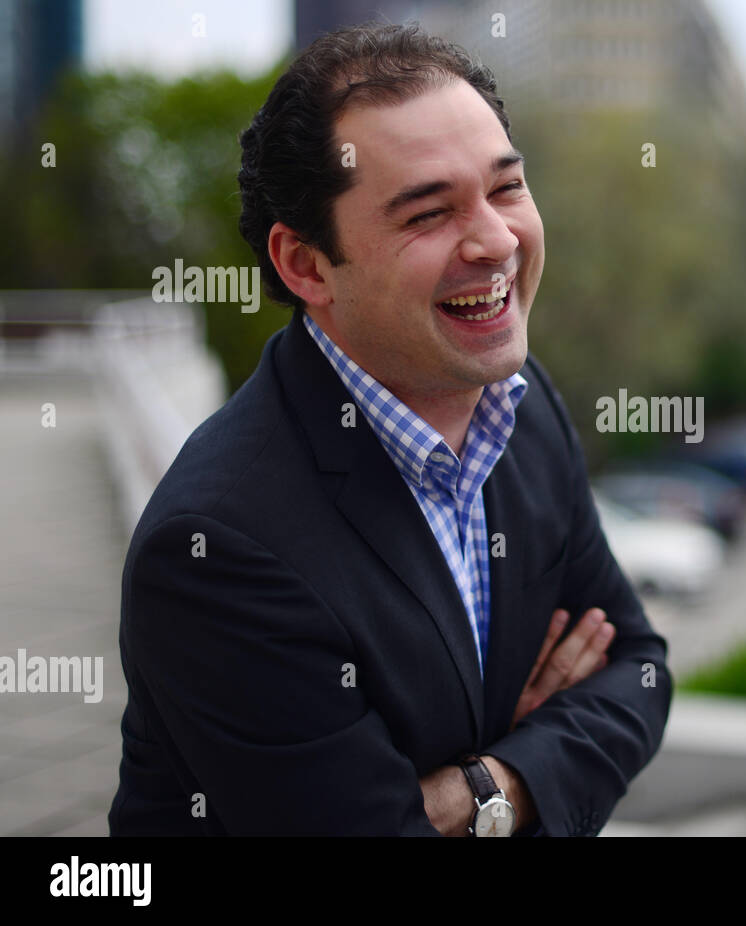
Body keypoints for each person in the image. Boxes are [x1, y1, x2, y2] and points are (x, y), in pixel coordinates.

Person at [108, 22, 672, 836]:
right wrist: (533, 761)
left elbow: (638, 672)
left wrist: (479, 789)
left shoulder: (525, 402)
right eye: (428, 213)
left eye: (506, 188)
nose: (496, 240)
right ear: (306, 265)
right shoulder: (219, 547)